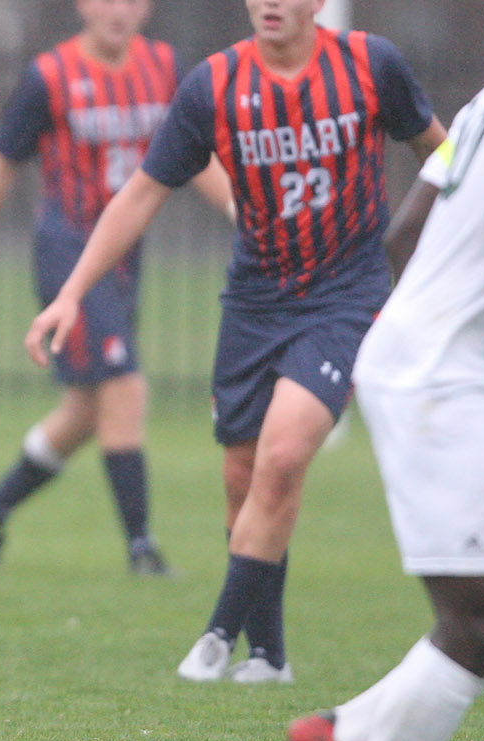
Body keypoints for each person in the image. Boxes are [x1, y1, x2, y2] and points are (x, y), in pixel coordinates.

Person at [26, 0, 445, 684]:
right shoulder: (213, 85)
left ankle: (217, 635)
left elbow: (440, 151)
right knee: (242, 476)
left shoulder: (371, 64)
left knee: (283, 457)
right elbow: (139, 194)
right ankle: (270, 656)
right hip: (254, 302)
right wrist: (71, 294)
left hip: (346, 297)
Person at [0, 0, 231, 576]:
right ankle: (141, 548)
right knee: (124, 387)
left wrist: (238, 207)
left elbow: (192, 157)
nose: (118, 9)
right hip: (68, 252)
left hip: (125, 257)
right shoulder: (49, 75)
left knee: (84, 410)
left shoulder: (164, 66)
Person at [286, 74, 484, 741]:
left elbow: (406, 236)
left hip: (434, 365)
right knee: (480, 615)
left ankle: (343, 738)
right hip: (442, 383)